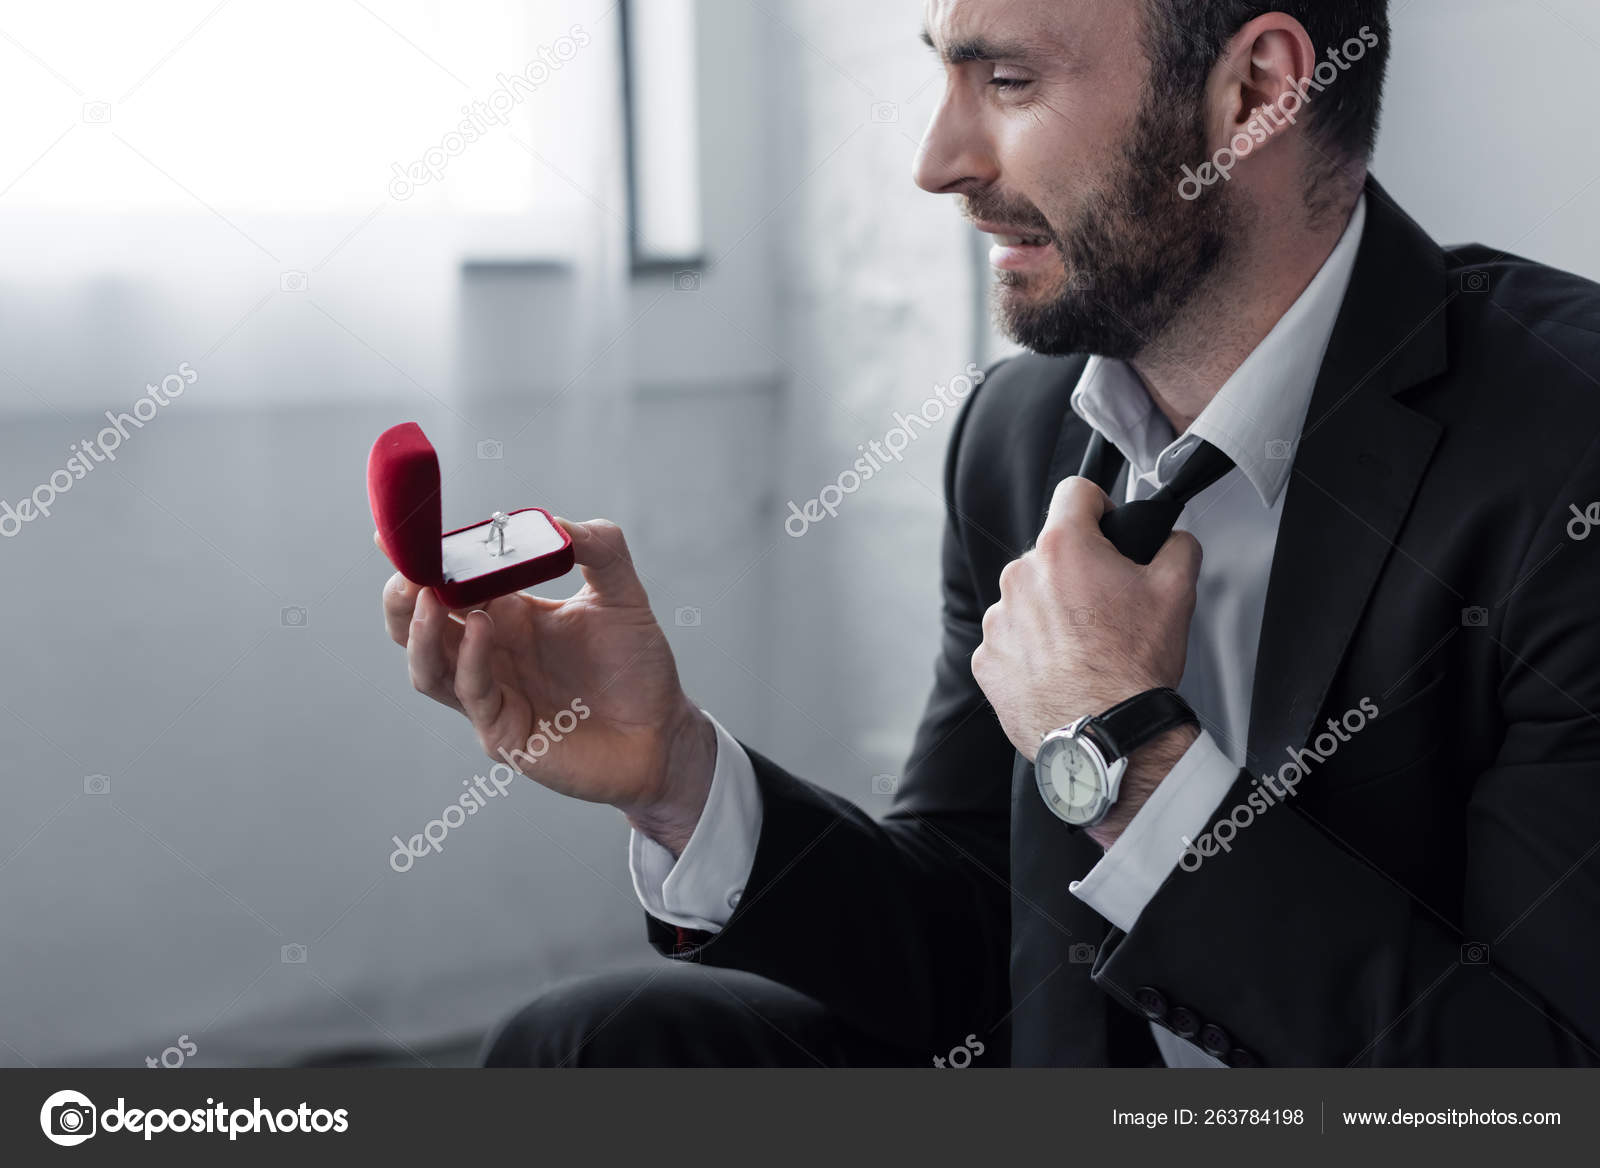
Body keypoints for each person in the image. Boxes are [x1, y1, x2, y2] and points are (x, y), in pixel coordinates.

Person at [381, 0, 1600, 1066]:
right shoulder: (1016, 432)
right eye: (942, 75)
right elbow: (983, 939)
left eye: (1005, 80)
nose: (937, 159)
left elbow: (1528, 1079)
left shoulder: (1566, 451)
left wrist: (1122, 752)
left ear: (1257, 92)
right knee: (593, 1048)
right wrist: (678, 776)